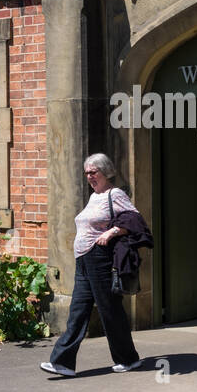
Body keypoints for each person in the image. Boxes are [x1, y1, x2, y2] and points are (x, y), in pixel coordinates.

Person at [40, 153, 144, 377]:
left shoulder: (115, 194)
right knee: (78, 310)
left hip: (100, 259)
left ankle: (128, 359)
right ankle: (63, 362)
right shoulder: (94, 197)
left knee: (109, 309)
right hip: (83, 261)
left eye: (93, 172)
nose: (89, 176)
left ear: (106, 172)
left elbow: (135, 220)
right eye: (86, 173)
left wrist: (111, 232)